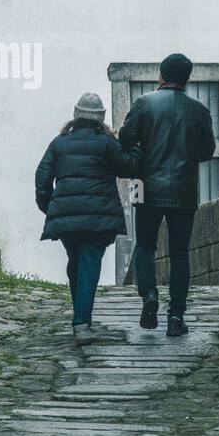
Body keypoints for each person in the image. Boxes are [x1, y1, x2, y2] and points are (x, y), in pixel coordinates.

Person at [118, 53, 216, 337]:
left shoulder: (144, 104)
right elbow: (206, 151)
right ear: (187, 79)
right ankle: (176, 317)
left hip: (145, 187)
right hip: (184, 190)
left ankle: (149, 294)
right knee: (180, 254)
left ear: (161, 76)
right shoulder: (199, 110)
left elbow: (125, 139)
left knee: (146, 245)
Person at [35, 93, 141, 345]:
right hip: (98, 217)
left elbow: (42, 178)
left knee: (76, 264)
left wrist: (50, 207)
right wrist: (136, 148)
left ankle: (81, 316)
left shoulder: (59, 143)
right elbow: (128, 168)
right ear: (100, 118)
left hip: (67, 218)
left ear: (76, 115)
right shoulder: (106, 143)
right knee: (89, 266)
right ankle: (82, 323)